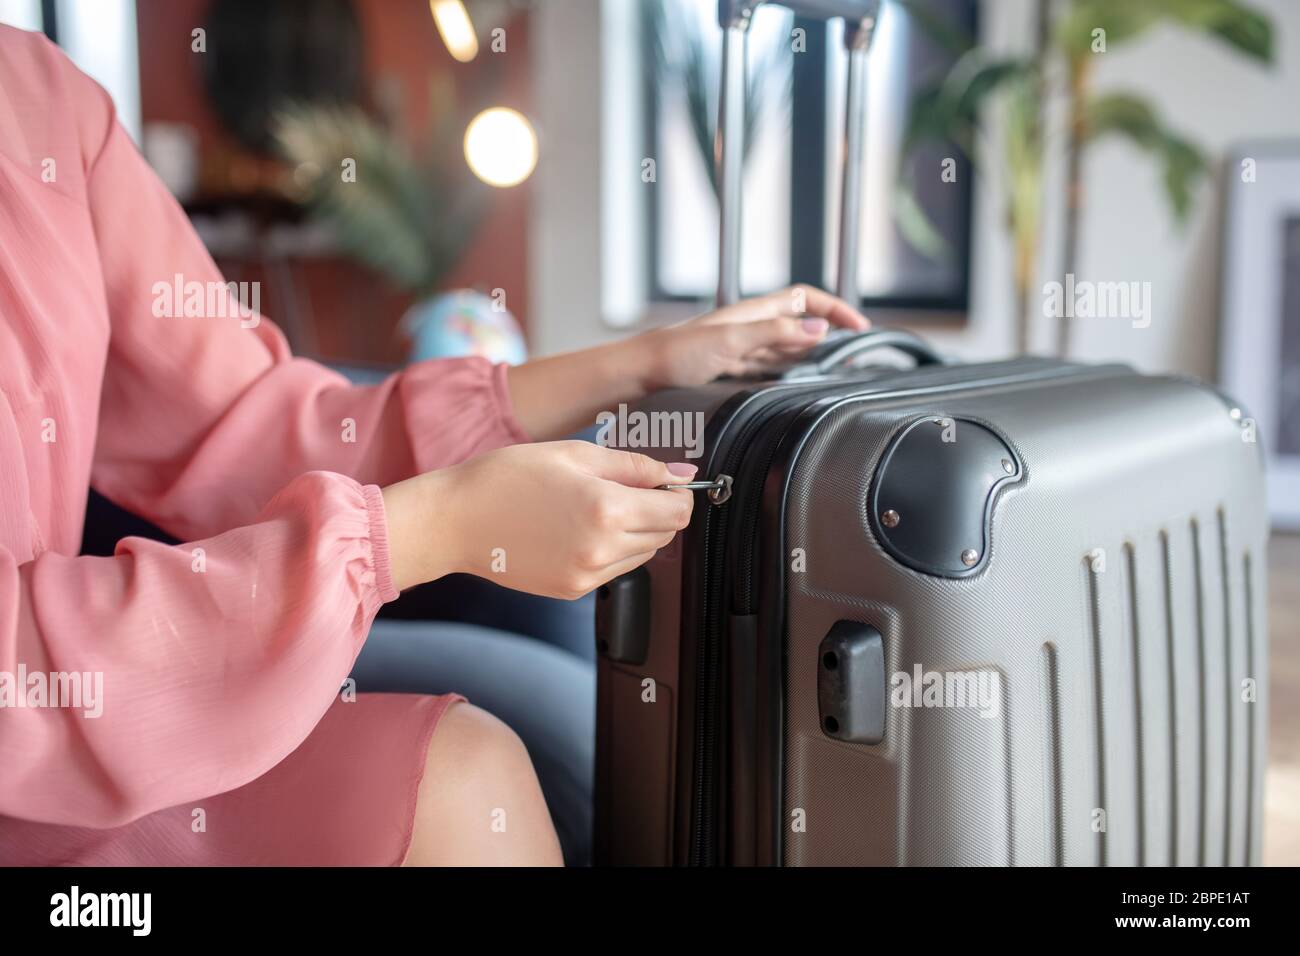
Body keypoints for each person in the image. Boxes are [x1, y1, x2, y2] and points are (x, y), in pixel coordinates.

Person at [0, 24, 867, 866]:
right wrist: (430, 528)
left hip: (103, 718)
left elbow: (258, 427)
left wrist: (640, 364)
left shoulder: (41, 98)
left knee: (465, 773)